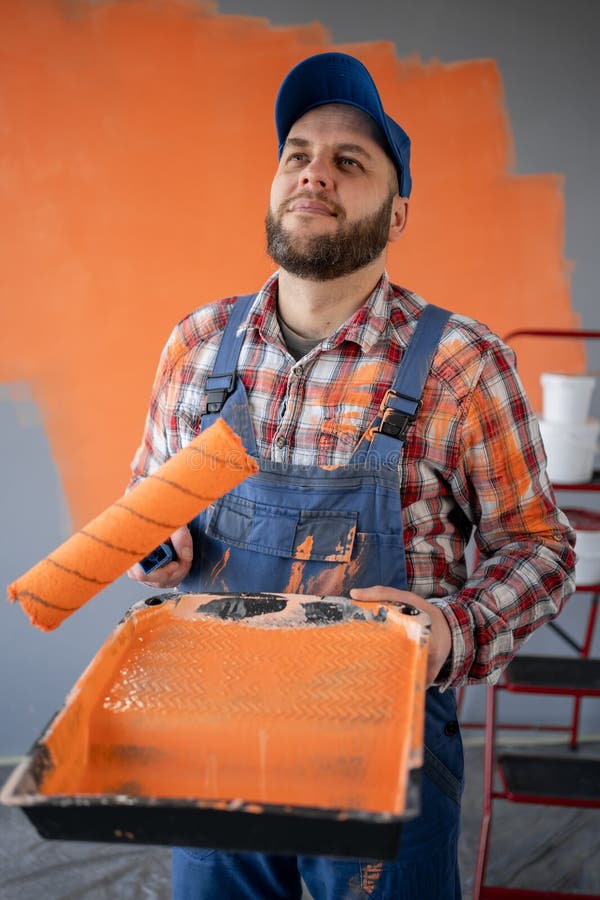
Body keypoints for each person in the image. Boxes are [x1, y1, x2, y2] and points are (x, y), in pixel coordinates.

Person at [128, 52, 576, 900]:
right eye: (298, 153)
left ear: (397, 211)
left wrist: (452, 630)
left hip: (387, 750)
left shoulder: (461, 365)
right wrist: (154, 542)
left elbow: (541, 550)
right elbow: (146, 505)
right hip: (217, 742)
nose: (315, 174)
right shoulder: (197, 345)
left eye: (349, 161)